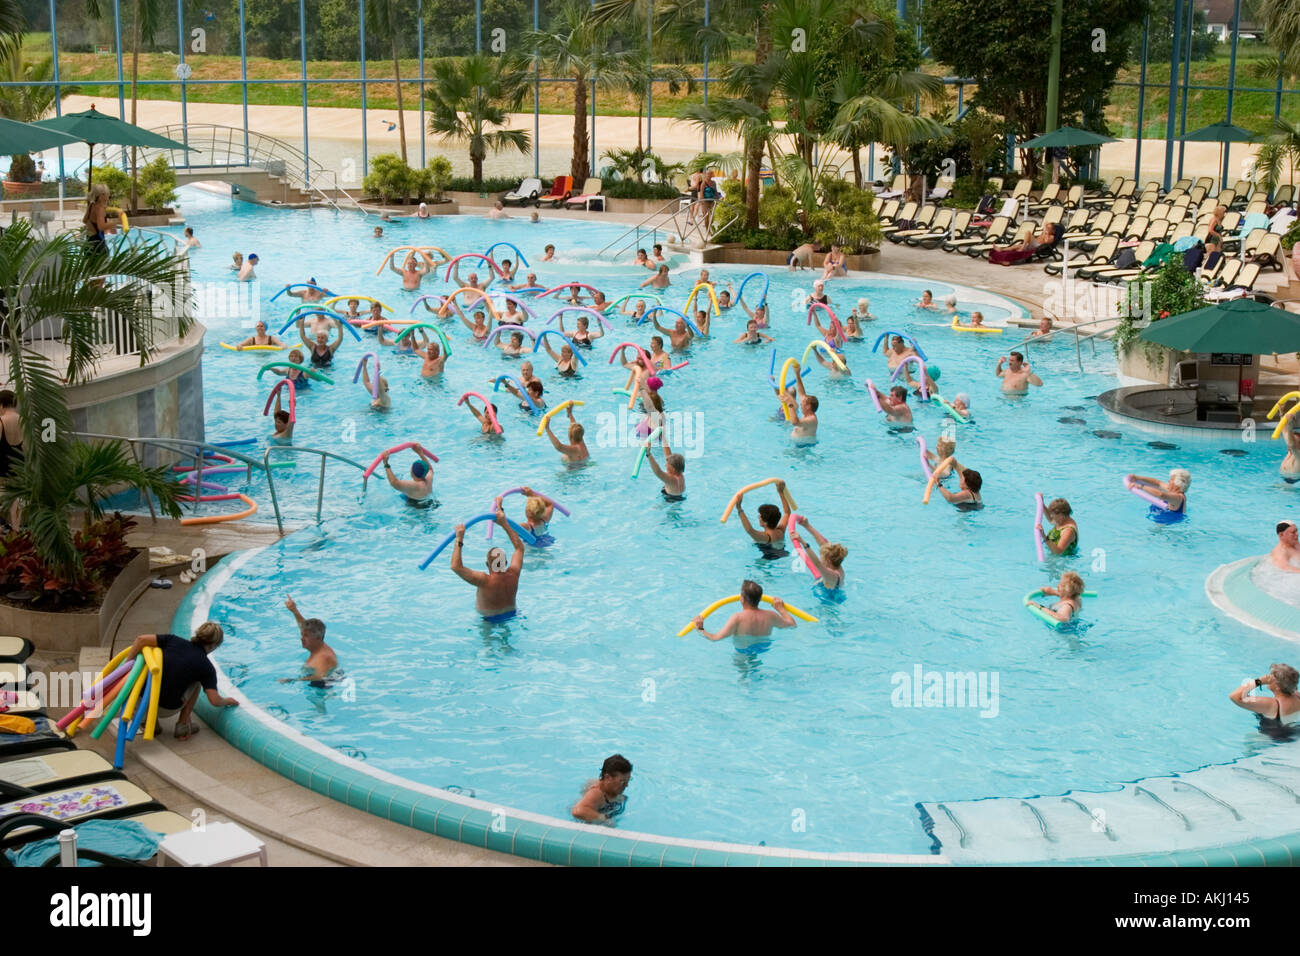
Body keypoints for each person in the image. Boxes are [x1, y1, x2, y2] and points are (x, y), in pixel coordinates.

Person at [124, 623, 238, 740]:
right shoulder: (206, 667)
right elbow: (214, 700)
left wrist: (126, 666)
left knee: (157, 665)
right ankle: (182, 725)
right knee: (196, 683)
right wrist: (227, 700)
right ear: (214, 645)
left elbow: (140, 639)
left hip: (140, 699)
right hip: (167, 708)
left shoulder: (173, 640)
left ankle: (149, 720)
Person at [450, 508, 525, 622]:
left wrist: (459, 538)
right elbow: (519, 548)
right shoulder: (514, 574)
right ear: (505, 563)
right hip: (512, 615)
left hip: (489, 619)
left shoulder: (484, 581)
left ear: (487, 564)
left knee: (487, 640)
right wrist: (504, 524)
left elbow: (456, 566)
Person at [691, 579, 798, 651]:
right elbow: (793, 625)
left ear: (741, 599)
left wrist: (700, 629)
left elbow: (715, 638)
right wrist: (781, 609)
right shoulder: (771, 615)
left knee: (743, 677)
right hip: (764, 648)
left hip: (744, 650)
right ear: (760, 599)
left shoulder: (738, 618)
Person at [280, 597, 339, 683]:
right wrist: (294, 610)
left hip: (322, 687)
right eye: (302, 635)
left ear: (317, 638)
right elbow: (303, 626)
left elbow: (319, 677)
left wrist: (292, 680)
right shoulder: (319, 643)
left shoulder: (322, 658)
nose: (302, 638)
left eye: (306, 636)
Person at [789, 515, 847, 599]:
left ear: (828, 561)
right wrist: (807, 525)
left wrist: (803, 543)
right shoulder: (837, 564)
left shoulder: (832, 576)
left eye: (821, 556)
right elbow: (824, 543)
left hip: (827, 606)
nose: (820, 557)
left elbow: (817, 563)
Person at [734, 481, 794, 558]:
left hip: (768, 559)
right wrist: (780, 492)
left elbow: (750, 530)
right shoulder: (780, 531)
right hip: (783, 553)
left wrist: (739, 508)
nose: (758, 517)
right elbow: (787, 513)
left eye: (760, 516)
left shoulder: (765, 537)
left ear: (765, 522)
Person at [1230, 664, 1300, 727]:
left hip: (1272, 740)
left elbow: (1234, 696)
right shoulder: (1297, 695)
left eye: (1271, 677)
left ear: (1277, 686)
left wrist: (1259, 681)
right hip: (1294, 733)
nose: (1267, 678)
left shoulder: (1272, 704)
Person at [571, 754, 633, 824]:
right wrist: (604, 819)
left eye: (628, 780)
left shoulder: (610, 790)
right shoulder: (596, 793)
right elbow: (577, 811)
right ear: (608, 778)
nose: (626, 785)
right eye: (622, 782)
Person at [989, 221, 1056, 266]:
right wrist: (1046, 227)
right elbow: (1046, 222)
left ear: (1052, 230)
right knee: (1014, 247)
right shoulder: (1044, 231)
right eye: (1047, 227)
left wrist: (1046, 234)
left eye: (1049, 228)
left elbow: (1047, 242)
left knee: (1028, 232)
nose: (1047, 228)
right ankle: (1001, 249)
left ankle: (1023, 246)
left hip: (1038, 246)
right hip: (1033, 243)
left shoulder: (1051, 236)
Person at [643, 431, 685, 501]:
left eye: (667, 465)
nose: (665, 464)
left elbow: (658, 472)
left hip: (670, 499)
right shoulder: (680, 474)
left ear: (673, 469)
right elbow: (668, 455)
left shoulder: (671, 479)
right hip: (679, 495)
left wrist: (648, 454)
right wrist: (662, 437)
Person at [82, 184, 117, 254]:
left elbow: (84, 220)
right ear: (102, 195)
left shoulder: (92, 205)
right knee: (105, 263)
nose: (108, 196)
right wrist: (115, 222)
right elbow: (101, 227)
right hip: (97, 243)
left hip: (89, 241)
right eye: (107, 193)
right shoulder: (100, 208)